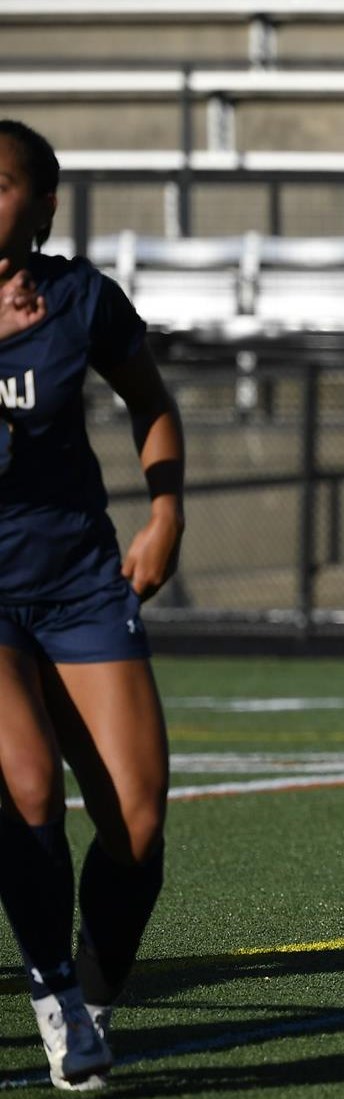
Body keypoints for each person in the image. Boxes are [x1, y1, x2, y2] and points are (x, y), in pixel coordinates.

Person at [0, 119, 184, 1088]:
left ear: (41, 202)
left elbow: (149, 401)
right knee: (27, 788)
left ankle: (95, 997)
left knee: (138, 821)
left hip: (76, 579)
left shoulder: (80, 298)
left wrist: (165, 514)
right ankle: (55, 995)